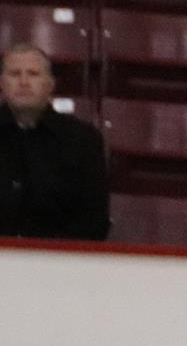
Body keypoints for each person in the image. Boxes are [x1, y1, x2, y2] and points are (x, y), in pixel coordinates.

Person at [0, 44, 108, 241]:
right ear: (2, 83)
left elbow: (94, 220)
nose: (24, 82)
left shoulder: (82, 140)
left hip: (61, 263)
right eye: (15, 74)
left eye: (33, 74)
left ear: (50, 85)